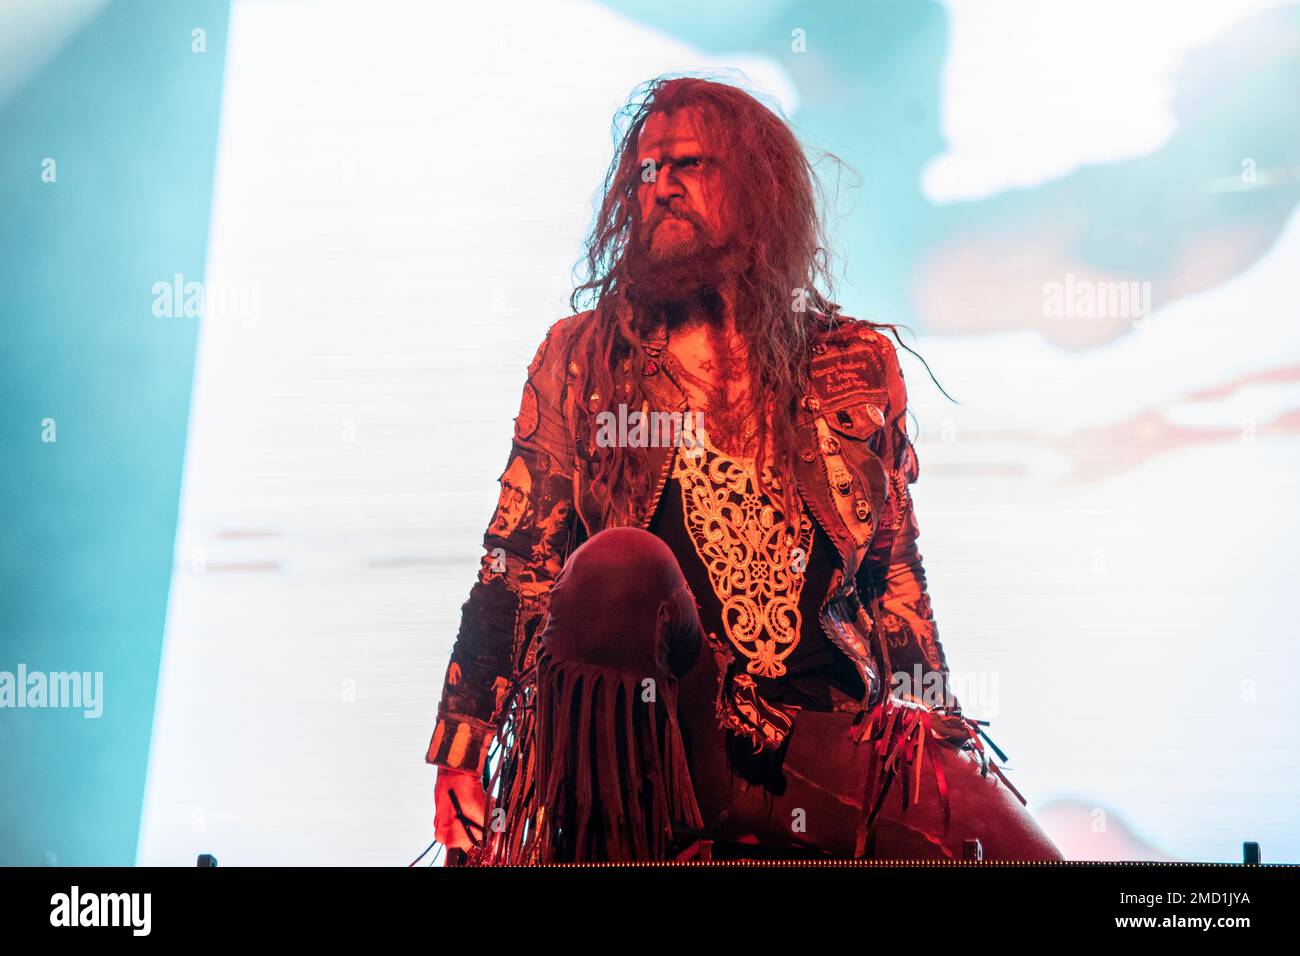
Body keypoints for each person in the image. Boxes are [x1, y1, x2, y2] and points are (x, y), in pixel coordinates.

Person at [426, 76, 1063, 864]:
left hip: (818, 731)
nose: (663, 186)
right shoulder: (580, 358)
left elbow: (893, 573)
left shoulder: (853, 362)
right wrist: (462, 753)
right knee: (620, 566)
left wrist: (936, 735)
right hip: (662, 738)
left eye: (690, 165)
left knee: (1011, 850)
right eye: (647, 171)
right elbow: (515, 562)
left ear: (760, 188)